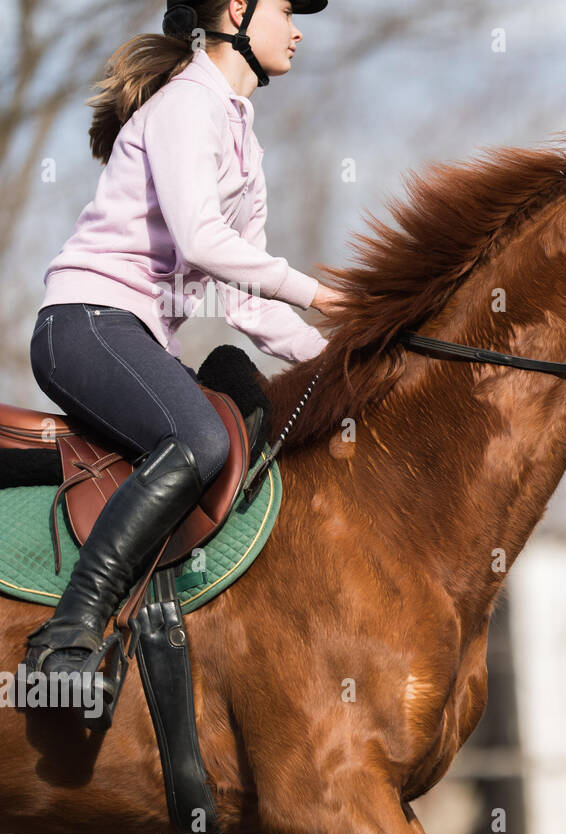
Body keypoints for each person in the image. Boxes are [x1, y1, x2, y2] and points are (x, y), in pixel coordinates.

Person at [23, 0, 347, 708]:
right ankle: (69, 631)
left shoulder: (243, 141)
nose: (298, 31)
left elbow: (246, 303)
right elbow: (203, 241)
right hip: (85, 321)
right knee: (198, 436)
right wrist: (318, 293)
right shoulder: (186, 106)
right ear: (238, 9)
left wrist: (342, 355)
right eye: (289, 10)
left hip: (132, 336)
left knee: (227, 412)